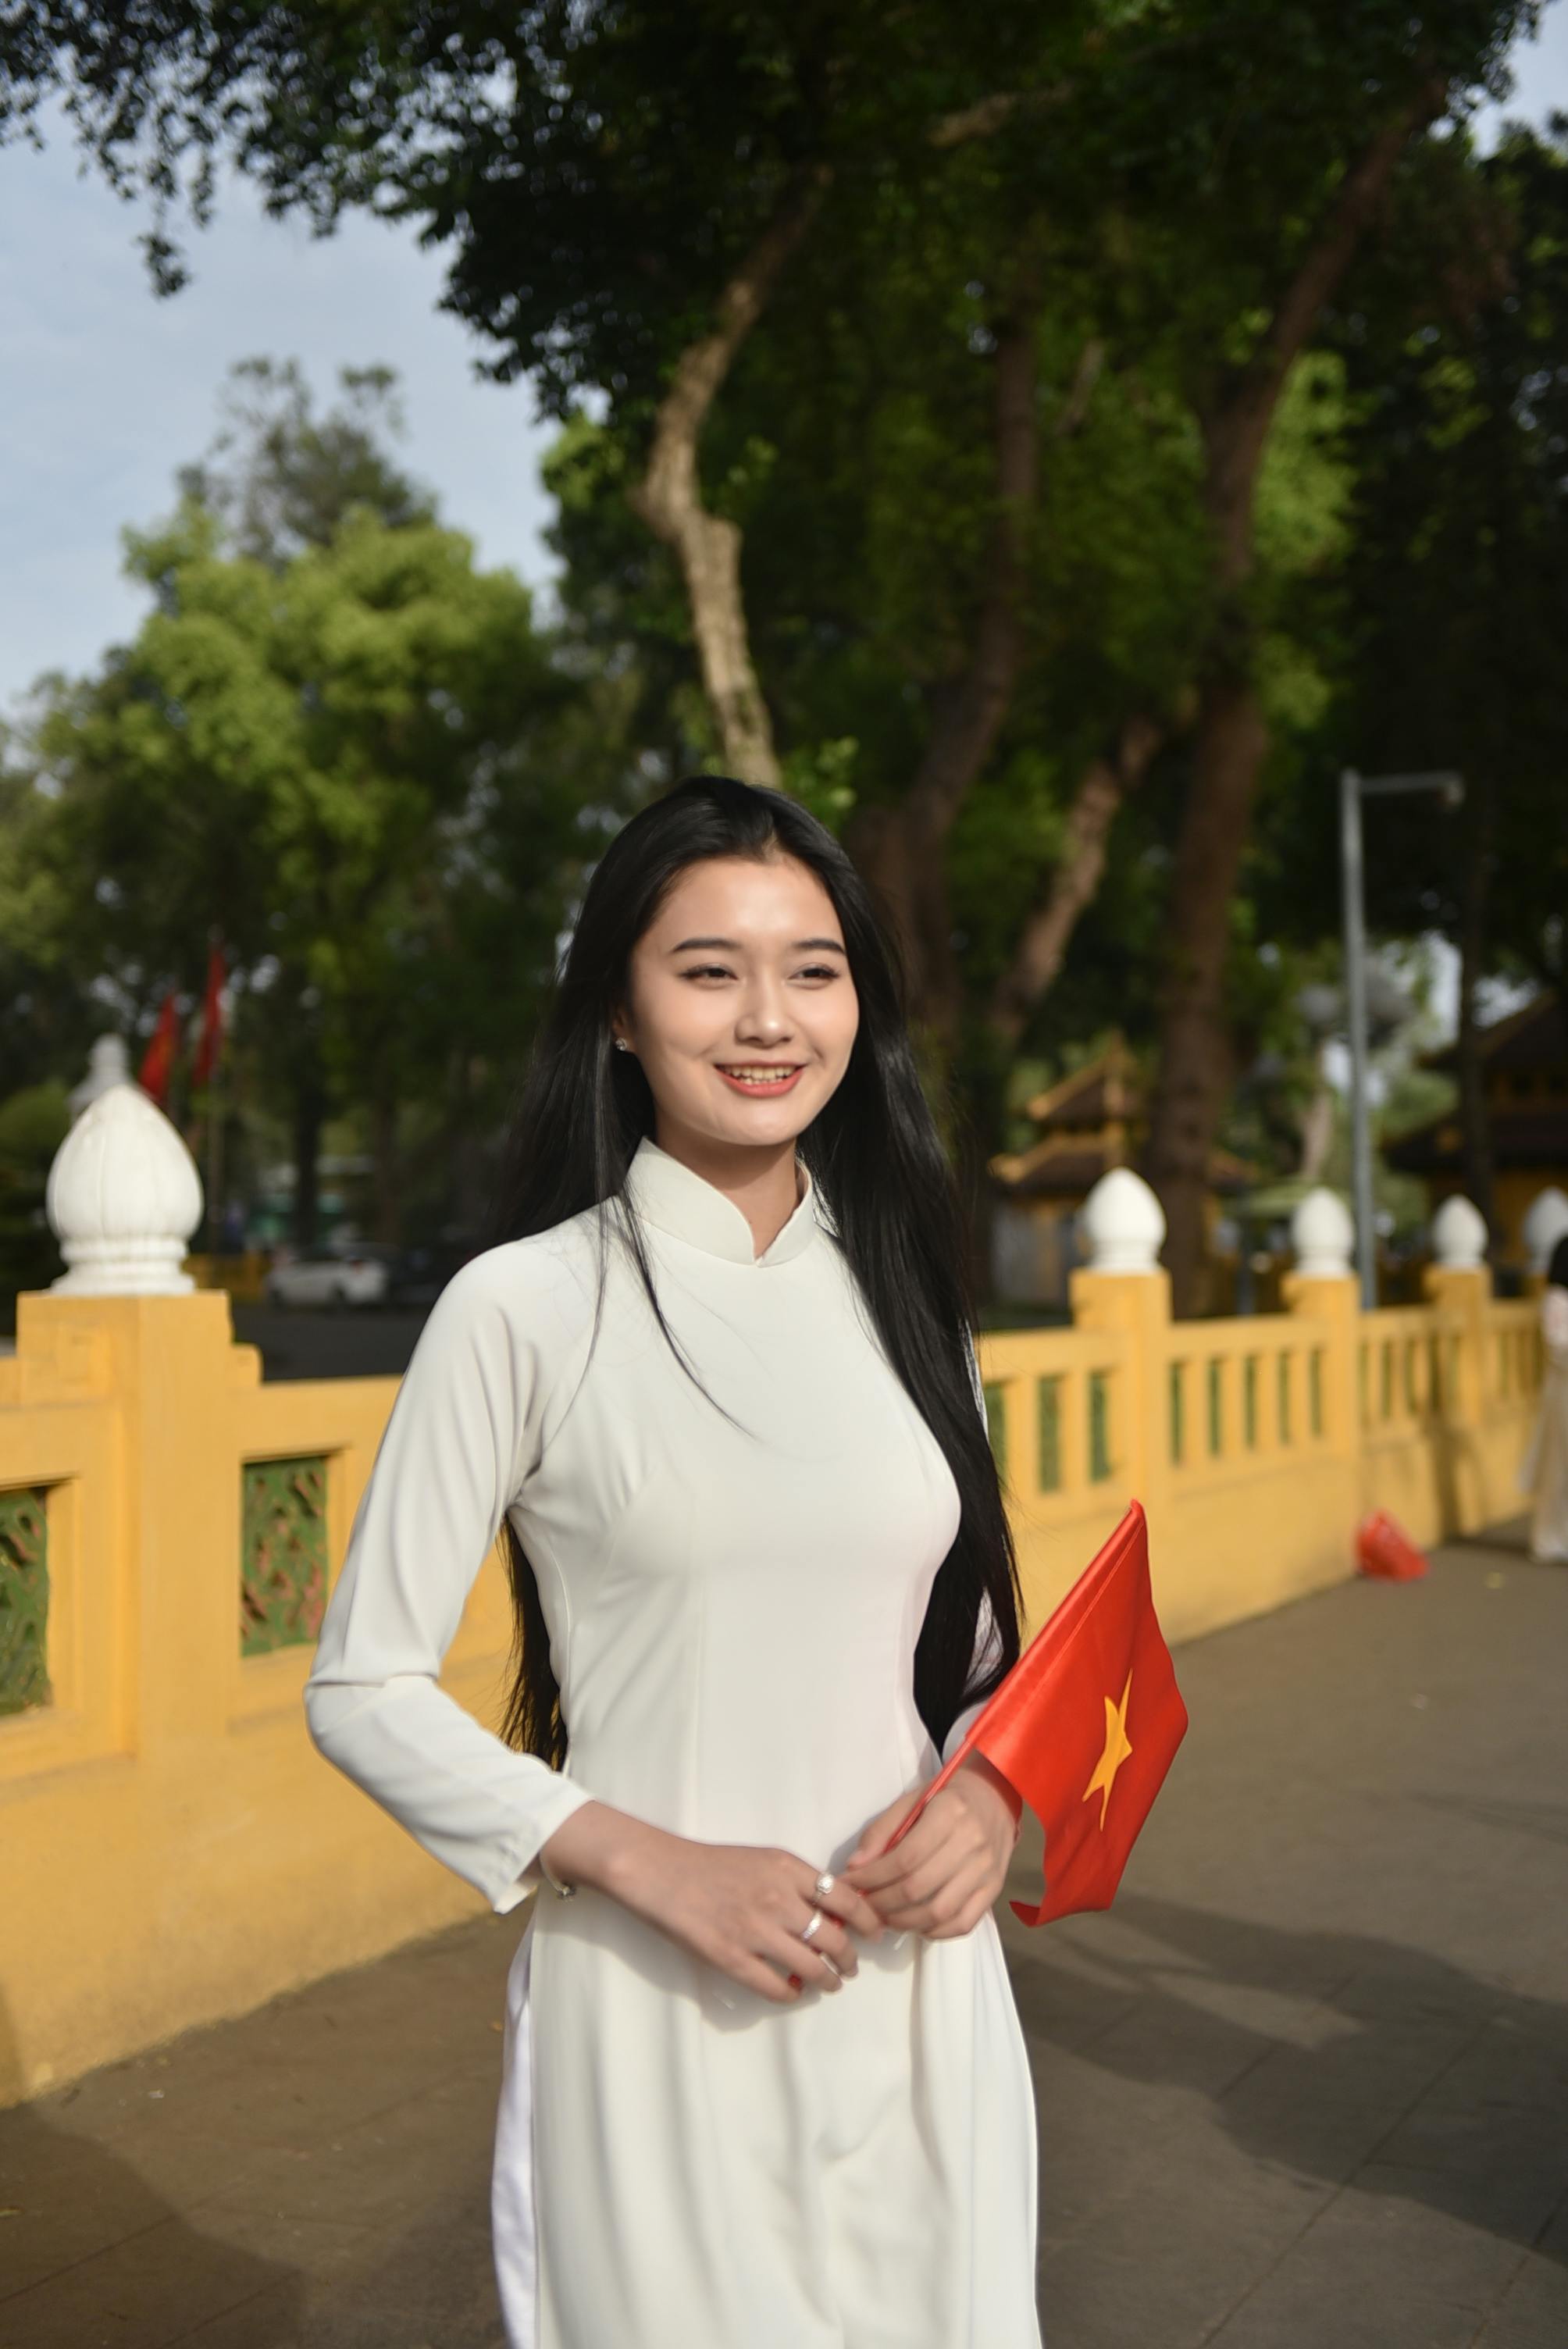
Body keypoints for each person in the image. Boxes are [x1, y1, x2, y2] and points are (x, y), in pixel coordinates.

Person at [303, 775, 1043, 2348]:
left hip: (923, 1998)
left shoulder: (916, 1308)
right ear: (621, 1016)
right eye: (706, 969)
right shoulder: (524, 1307)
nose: (767, 1016)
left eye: (813, 967)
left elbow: (972, 1659)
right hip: (656, 2007)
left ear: (860, 1002)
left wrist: (990, 1792)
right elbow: (361, 1686)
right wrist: (648, 1861)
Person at [1518, 1230, 1568, 1563]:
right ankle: (1550, 1539)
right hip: (1564, 1391)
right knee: (1560, 1467)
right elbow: (1558, 1345)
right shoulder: (1556, 1301)